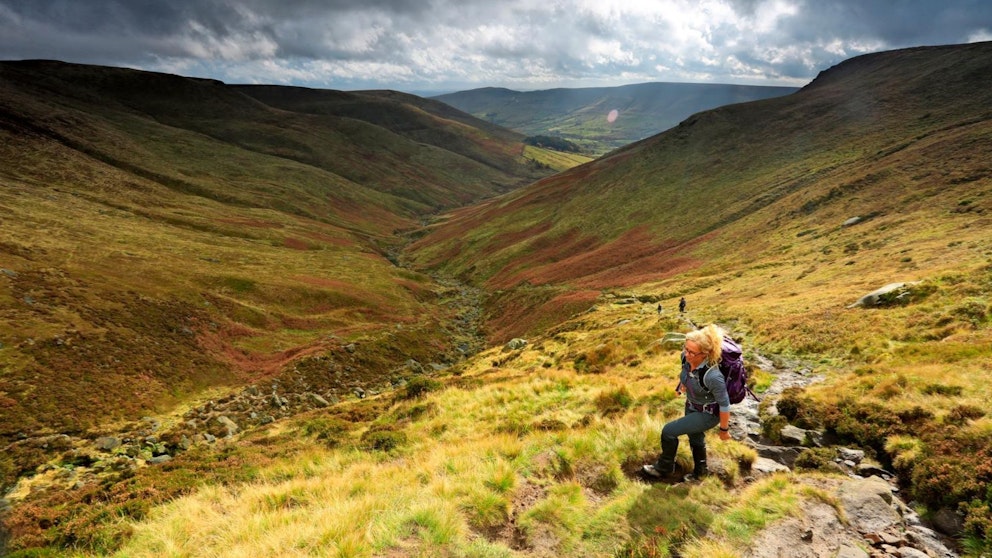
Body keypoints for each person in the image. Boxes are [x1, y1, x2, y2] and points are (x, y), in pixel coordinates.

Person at [642, 323, 731, 482]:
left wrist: (724, 430)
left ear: (705, 354)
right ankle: (701, 472)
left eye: (692, 352)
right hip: (691, 405)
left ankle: (665, 467)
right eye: (686, 349)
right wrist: (682, 386)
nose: (687, 354)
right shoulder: (685, 357)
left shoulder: (713, 376)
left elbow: (724, 405)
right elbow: (686, 373)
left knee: (669, 431)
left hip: (708, 413)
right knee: (695, 437)